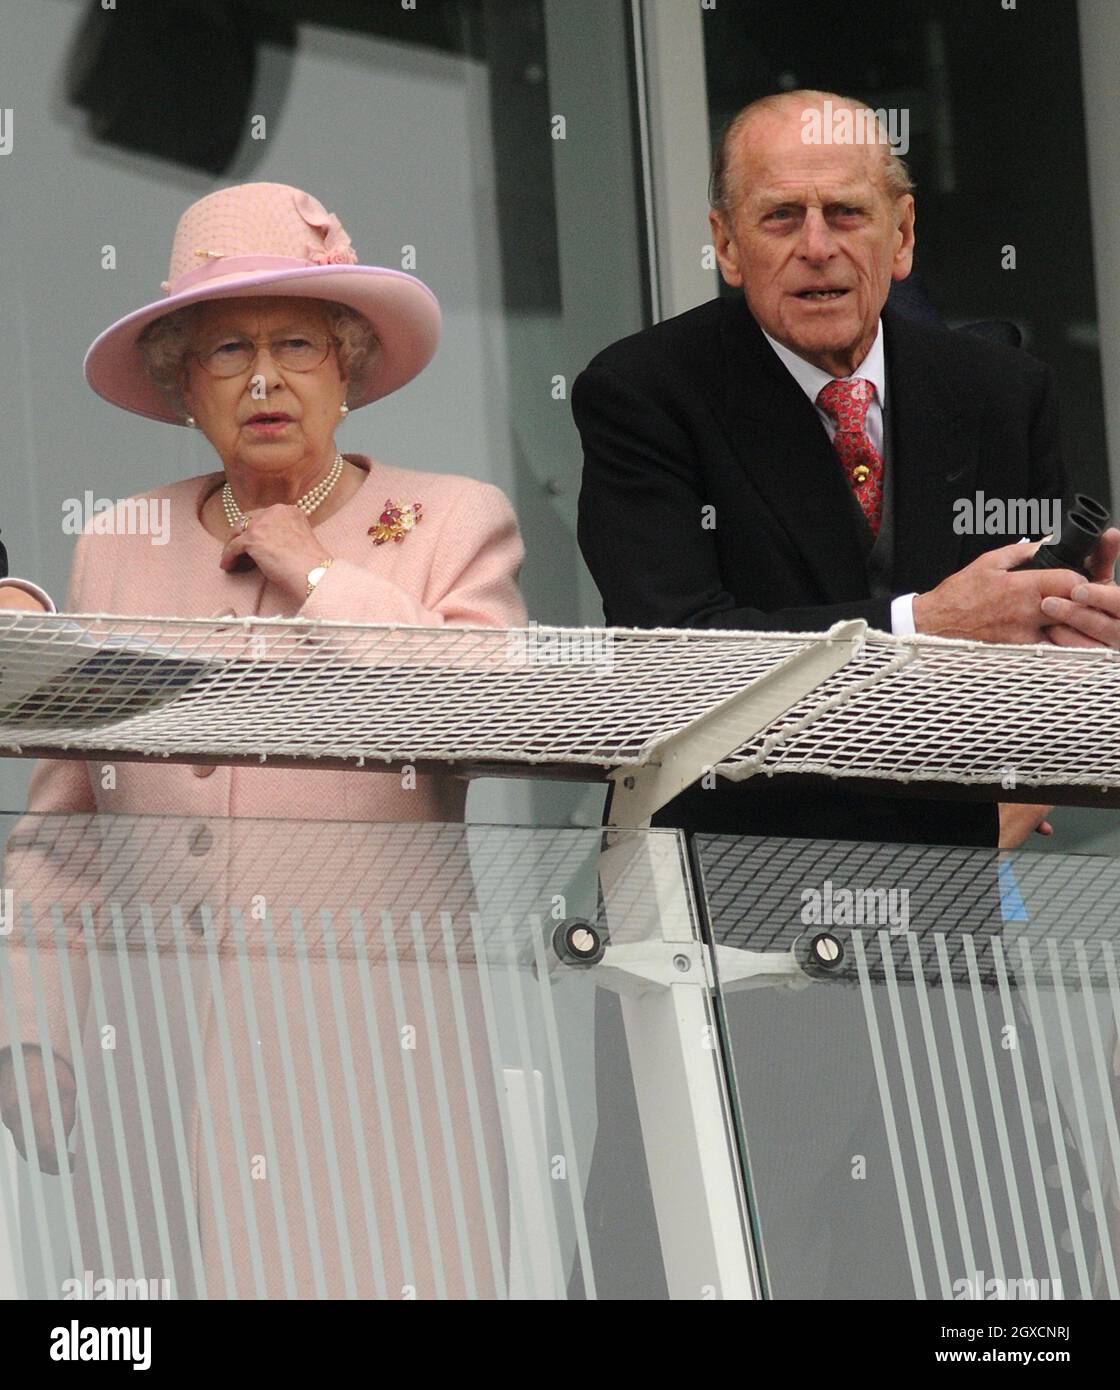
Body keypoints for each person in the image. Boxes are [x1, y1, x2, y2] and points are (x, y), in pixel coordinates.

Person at [0, 181, 528, 1297]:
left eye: (297, 342)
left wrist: (322, 575)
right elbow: (65, 836)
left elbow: (488, 712)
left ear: (348, 366)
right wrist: (33, 1024)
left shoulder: (446, 522)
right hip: (154, 1066)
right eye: (227, 348)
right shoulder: (120, 543)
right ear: (182, 385)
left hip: (373, 1071)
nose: (265, 377)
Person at [574, 90, 1120, 850]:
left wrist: (1083, 634)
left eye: (846, 213)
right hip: (716, 884)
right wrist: (920, 627)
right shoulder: (642, 392)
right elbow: (676, 654)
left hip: (946, 892)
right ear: (726, 245)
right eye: (780, 217)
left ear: (902, 236)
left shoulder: (1003, 390)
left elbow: (1026, 674)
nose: (817, 245)